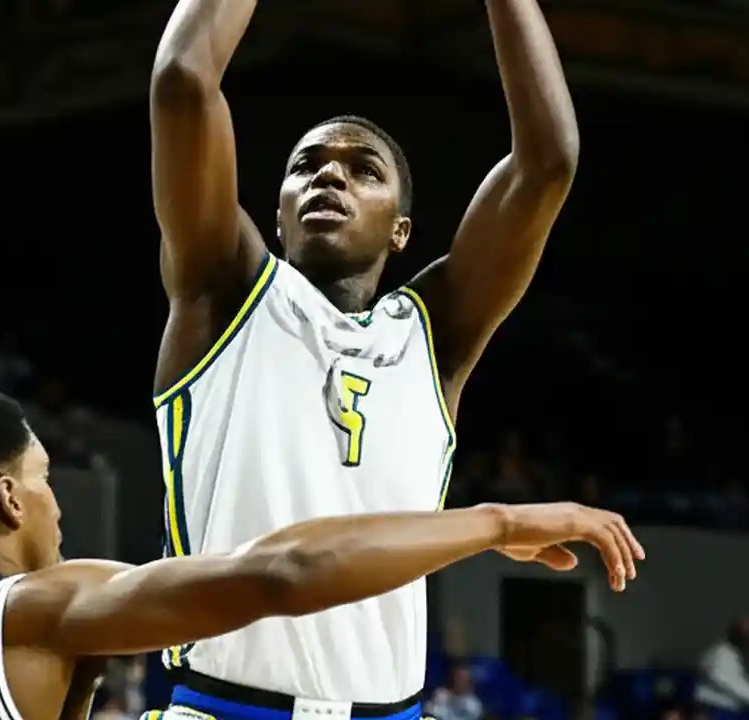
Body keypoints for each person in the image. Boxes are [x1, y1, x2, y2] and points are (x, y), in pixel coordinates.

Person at [149, 0, 581, 712]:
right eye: (307, 167)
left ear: (402, 229)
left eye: (363, 170)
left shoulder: (434, 336)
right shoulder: (222, 292)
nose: (329, 178)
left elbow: (547, 163)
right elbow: (184, 81)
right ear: (279, 209)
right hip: (225, 706)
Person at [0, 385, 643, 719]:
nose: (57, 504)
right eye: (46, 478)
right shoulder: (26, 613)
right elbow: (286, 573)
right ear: (8, 497)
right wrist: (497, 522)